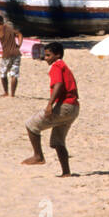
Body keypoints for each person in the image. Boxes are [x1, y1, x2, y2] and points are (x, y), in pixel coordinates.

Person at [22, 42, 78, 176]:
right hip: (74, 108)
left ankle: (38, 156)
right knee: (58, 141)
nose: (45, 58)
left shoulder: (57, 66)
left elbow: (58, 84)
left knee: (31, 125)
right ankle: (66, 172)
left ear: (57, 55)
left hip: (64, 106)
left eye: (48, 55)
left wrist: (49, 105)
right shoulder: (64, 66)